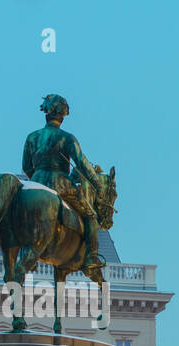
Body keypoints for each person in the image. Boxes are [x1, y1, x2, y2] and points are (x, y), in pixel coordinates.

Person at [21, 94, 107, 282]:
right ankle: (92, 257)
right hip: (60, 184)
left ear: (46, 114)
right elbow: (82, 163)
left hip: (35, 182)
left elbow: (26, 167)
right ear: (62, 115)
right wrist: (97, 184)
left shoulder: (32, 137)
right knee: (90, 215)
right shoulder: (67, 138)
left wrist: (37, 180)